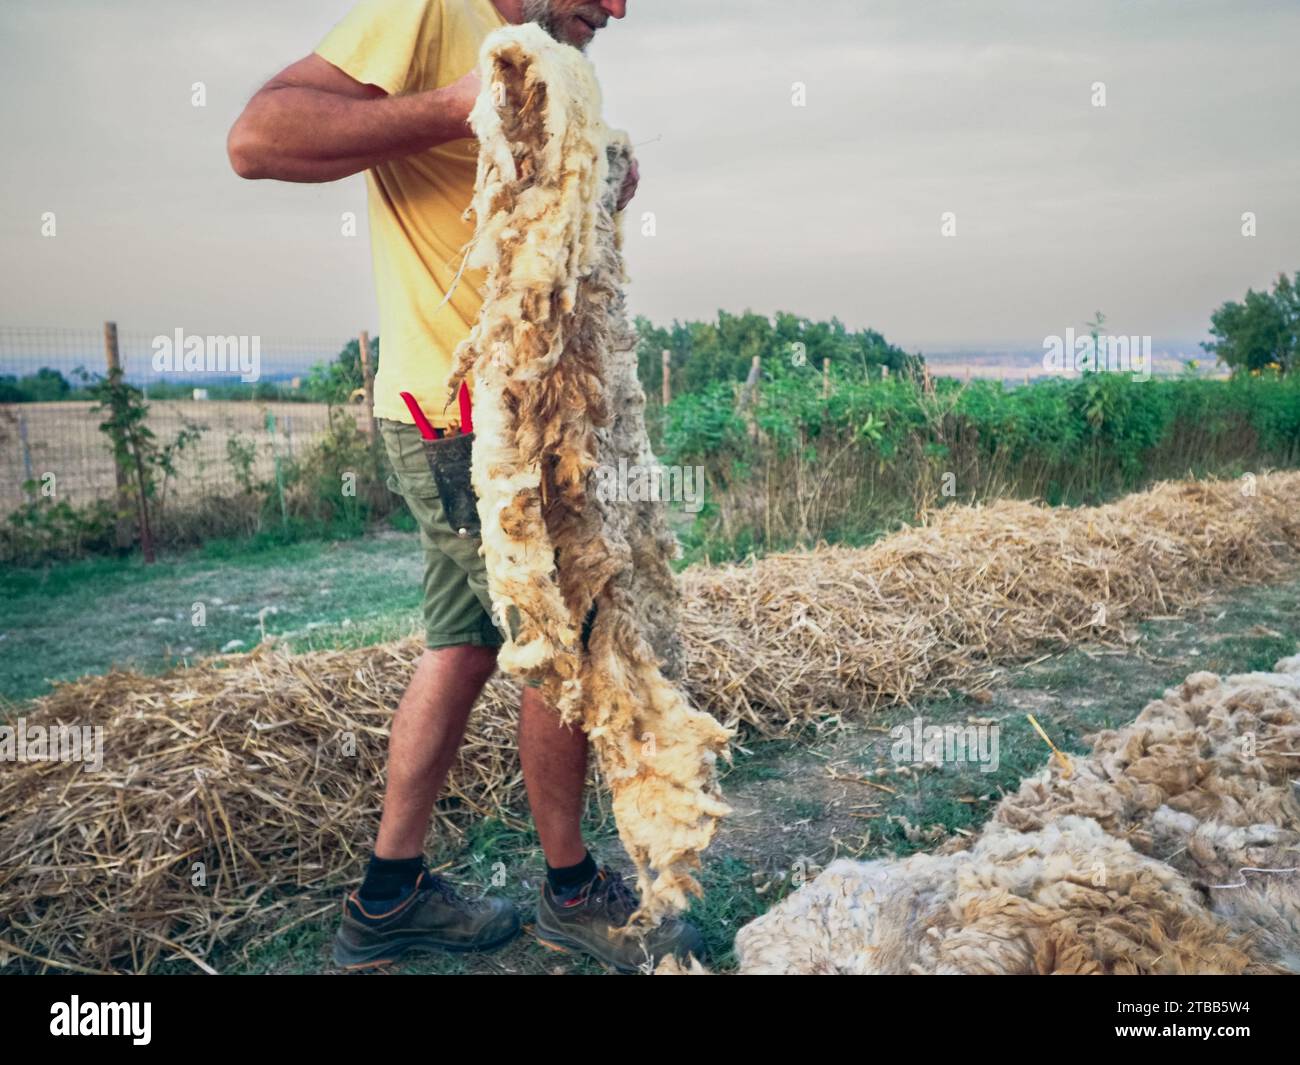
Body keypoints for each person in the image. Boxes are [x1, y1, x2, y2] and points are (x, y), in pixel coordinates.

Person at [227, 0, 701, 973]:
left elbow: (526, 216)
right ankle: (571, 891)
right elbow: (257, 138)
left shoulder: (560, 58)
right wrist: (455, 106)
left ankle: (388, 896)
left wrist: (601, 187)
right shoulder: (428, 12)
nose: (618, 7)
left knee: (463, 642)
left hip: (507, 404)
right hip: (464, 417)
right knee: (558, 635)